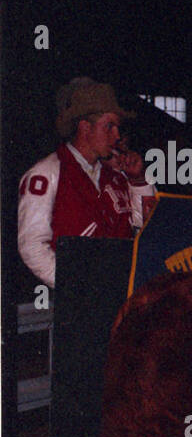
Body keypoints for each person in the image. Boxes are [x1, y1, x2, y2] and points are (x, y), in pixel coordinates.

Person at [18, 78, 155, 287]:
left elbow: (141, 226)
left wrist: (138, 180)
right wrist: (75, 284)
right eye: (109, 126)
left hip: (122, 294)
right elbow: (32, 246)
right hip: (77, 303)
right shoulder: (46, 173)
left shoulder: (117, 176)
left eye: (117, 127)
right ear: (85, 128)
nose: (117, 135)